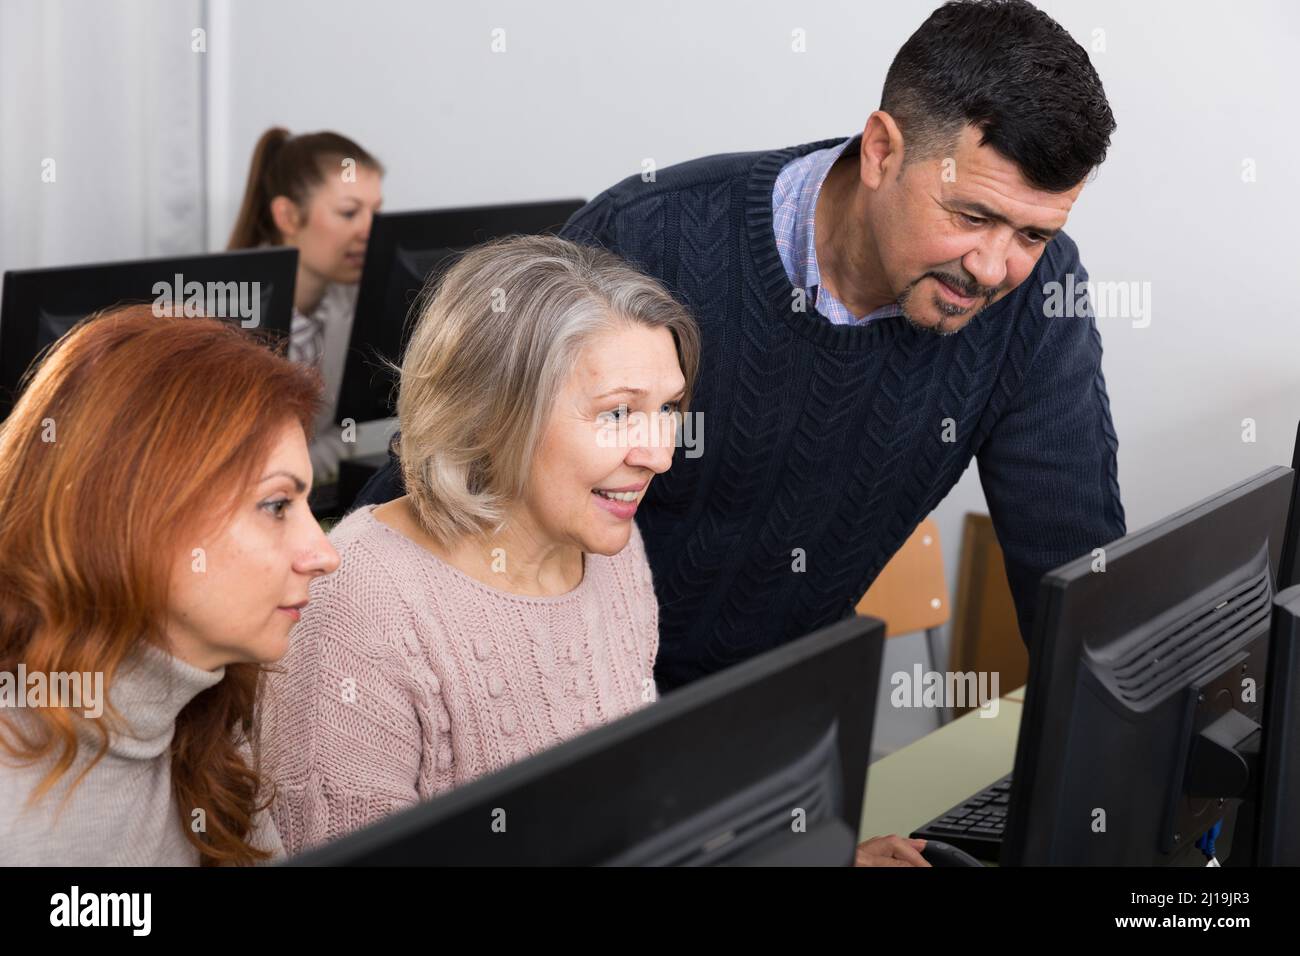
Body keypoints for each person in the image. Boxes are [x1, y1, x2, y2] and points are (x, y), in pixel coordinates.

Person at [354, 0, 1127, 695]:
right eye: (969, 215)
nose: (995, 268)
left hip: (768, 742)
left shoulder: (1035, 296)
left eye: (1033, 232)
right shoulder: (649, 240)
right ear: (883, 151)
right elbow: (423, 496)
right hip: (564, 714)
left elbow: (1075, 563)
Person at [259, 235, 699, 855]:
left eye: (668, 408)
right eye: (618, 414)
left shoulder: (612, 548)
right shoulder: (358, 605)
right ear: (493, 415)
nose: (659, 454)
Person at [0, 305, 339, 865]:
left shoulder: (201, 719)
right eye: (276, 505)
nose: (324, 554)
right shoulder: (16, 814)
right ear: (135, 517)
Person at [228, 126, 385, 482]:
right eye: (348, 213)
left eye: (375, 212)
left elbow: (358, 432)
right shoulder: (233, 316)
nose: (369, 231)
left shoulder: (355, 307)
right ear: (287, 217)